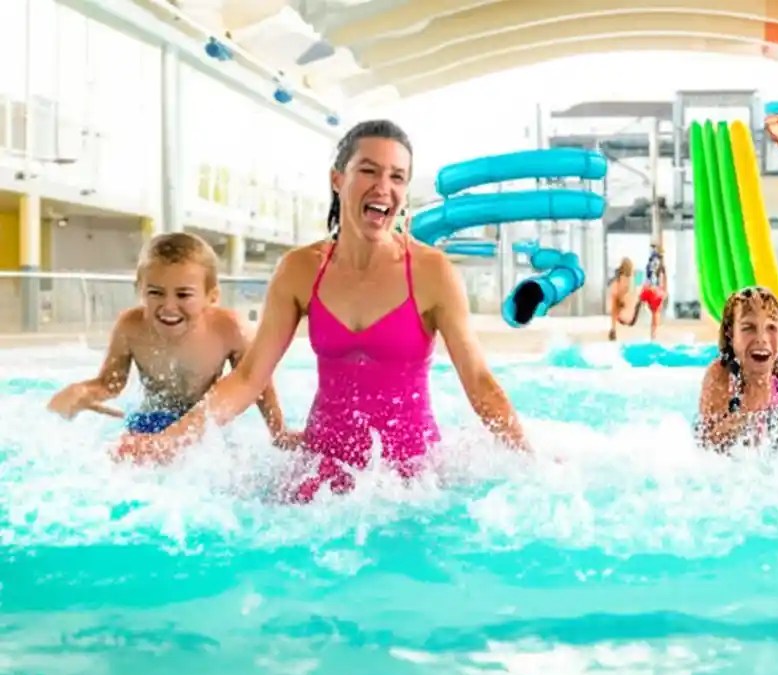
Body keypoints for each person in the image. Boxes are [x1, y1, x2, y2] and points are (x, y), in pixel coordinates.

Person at [114, 119, 531, 502]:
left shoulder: (431, 272)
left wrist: (530, 465)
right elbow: (247, 378)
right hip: (321, 470)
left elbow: (479, 382)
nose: (383, 187)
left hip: (409, 479)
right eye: (368, 170)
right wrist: (168, 441)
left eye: (397, 176)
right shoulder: (300, 270)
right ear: (338, 179)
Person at [47, 232, 293, 445]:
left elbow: (257, 382)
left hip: (203, 424)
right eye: (155, 293)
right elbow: (110, 384)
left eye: (183, 295)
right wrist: (81, 393)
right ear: (140, 291)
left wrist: (278, 432)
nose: (169, 306)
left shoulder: (228, 329)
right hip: (149, 420)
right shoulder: (130, 327)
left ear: (212, 297)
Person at [697, 286, 778, 452]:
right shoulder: (721, 376)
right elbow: (707, 443)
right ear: (731, 334)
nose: (761, 339)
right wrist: (745, 411)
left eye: (771, 327)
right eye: (748, 328)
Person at [635, 246, 667, 341]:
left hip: (648, 288)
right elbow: (662, 278)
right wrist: (664, 291)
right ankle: (653, 335)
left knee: (643, 307)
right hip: (656, 291)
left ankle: (634, 320)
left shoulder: (650, 262)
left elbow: (648, 277)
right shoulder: (661, 265)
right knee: (655, 313)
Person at [606, 257, 640, 341]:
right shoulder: (635, 280)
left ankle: (613, 328)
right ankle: (613, 329)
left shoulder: (620, 281)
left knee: (614, 296)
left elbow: (620, 296)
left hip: (623, 316)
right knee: (616, 295)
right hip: (633, 317)